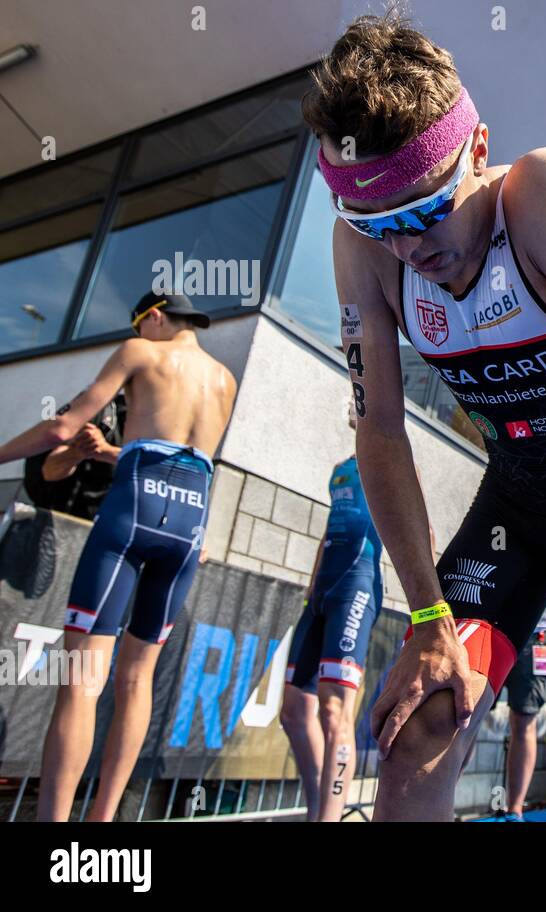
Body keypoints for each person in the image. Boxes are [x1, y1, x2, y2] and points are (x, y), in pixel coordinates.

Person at [304, 12, 546, 822]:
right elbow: (379, 431)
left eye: (424, 211)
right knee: (419, 731)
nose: (408, 247)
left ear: (477, 151)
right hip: (512, 513)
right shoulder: (364, 253)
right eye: (378, 226)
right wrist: (425, 618)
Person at [0, 291, 236, 821]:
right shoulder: (224, 378)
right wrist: (109, 452)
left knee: (83, 679)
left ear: (153, 317)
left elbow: (60, 428)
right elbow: (172, 450)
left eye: (139, 323)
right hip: (189, 522)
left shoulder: (140, 351)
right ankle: (104, 823)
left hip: (132, 511)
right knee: (137, 680)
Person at [279, 403, 388, 822]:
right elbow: (329, 528)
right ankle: (318, 809)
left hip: (357, 587)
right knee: (293, 709)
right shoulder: (341, 467)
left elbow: (422, 529)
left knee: (334, 711)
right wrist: (312, 586)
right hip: (323, 589)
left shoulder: (393, 458)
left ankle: (330, 814)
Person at [493, 586, 546, 822]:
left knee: (525, 720)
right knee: (465, 717)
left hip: (535, 633)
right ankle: (442, 800)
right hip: (489, 624)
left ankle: (514, 811)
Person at [22, 392, 127, 520]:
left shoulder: (154, 429)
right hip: (70, 525)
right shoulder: (102, 411)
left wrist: (106, 451)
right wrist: (79, 451)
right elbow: (49, 471)